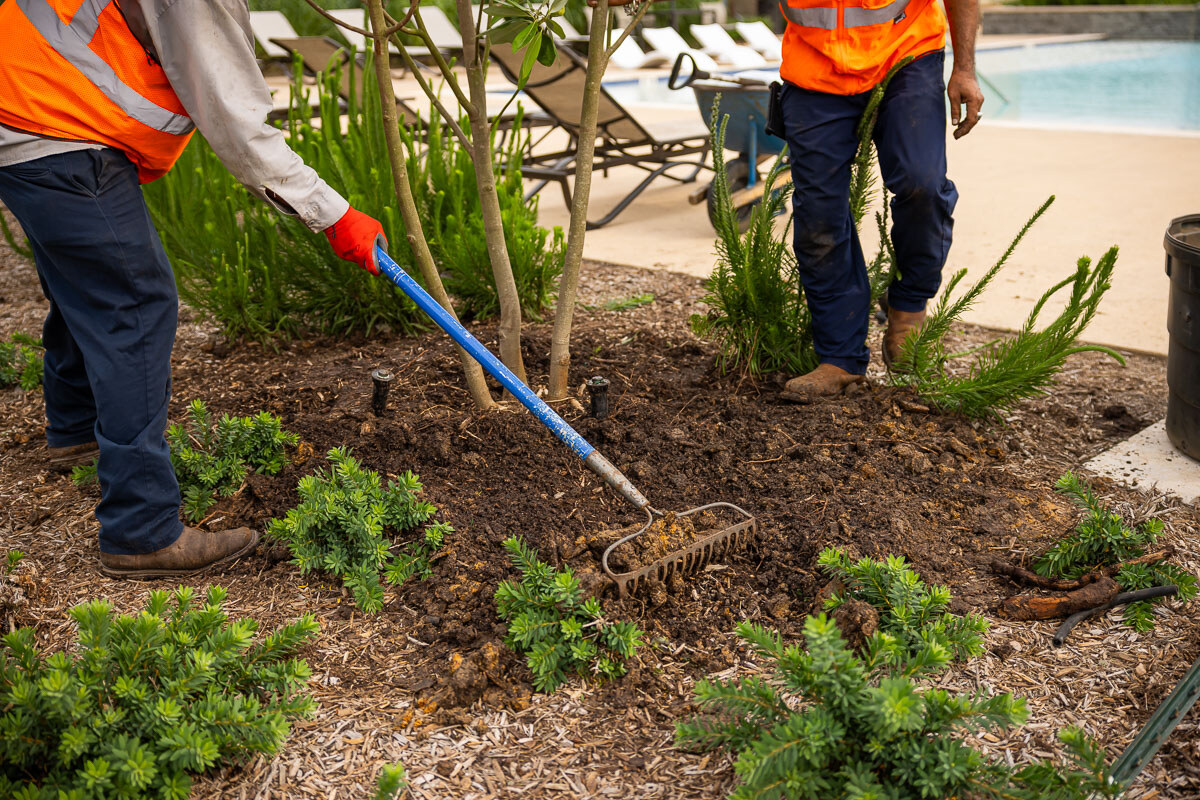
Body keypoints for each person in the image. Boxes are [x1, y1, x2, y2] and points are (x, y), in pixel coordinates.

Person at [0, 0, 387, 578]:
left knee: (93, 282)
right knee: (134, 304)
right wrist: (331, 214)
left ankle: (77, 429)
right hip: (50, 116)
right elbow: (233, 116)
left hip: (28, 101)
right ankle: (142, 529)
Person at [774, 0, 984, 401]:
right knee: (818, 215)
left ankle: (908, 306)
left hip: (905, 53)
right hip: (813, 68)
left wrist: (964, 68)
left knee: (922, 184)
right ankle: (840, 359)